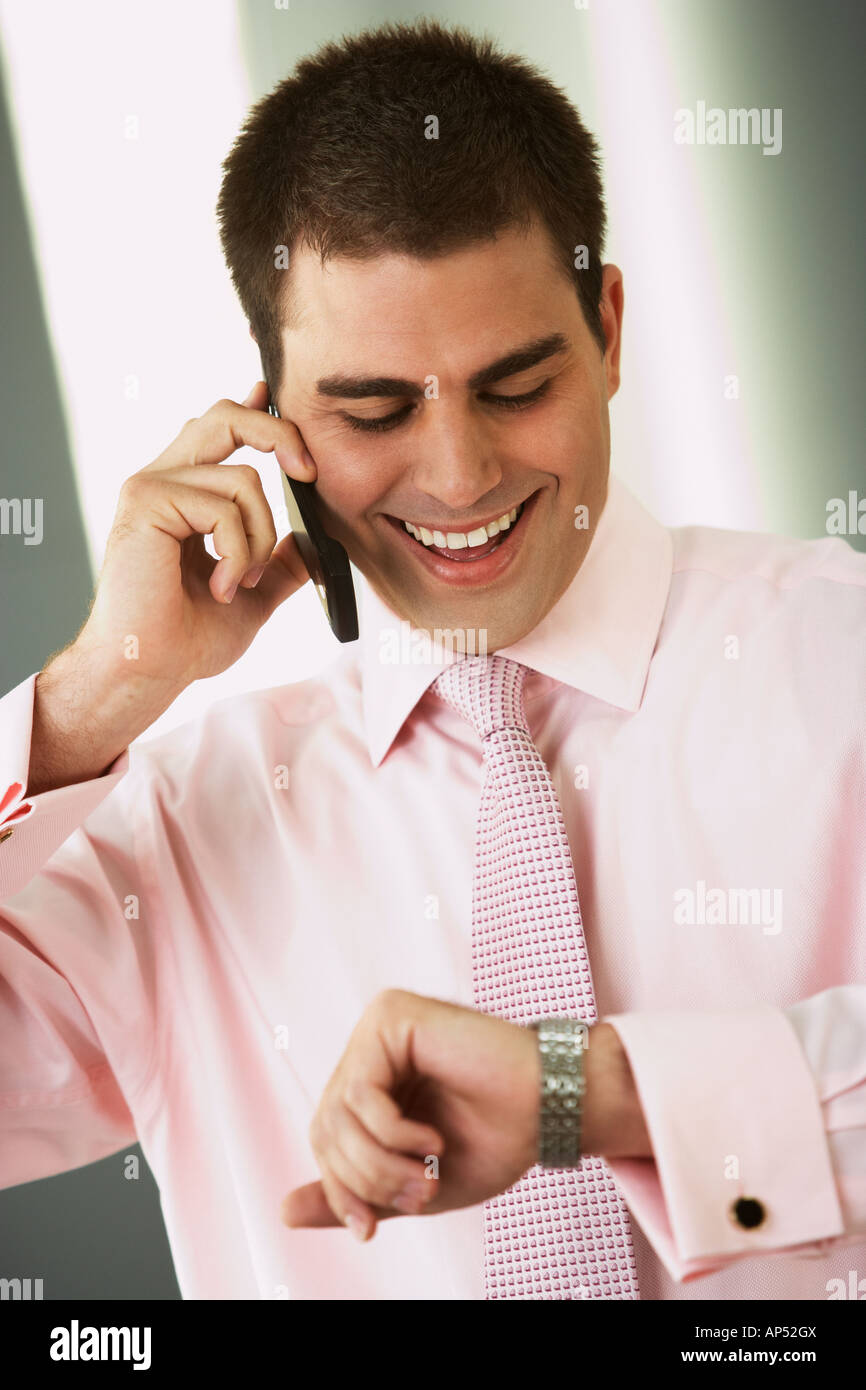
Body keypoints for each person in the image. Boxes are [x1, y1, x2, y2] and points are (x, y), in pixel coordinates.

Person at [1, 19, 864, 1302]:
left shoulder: (836, 655)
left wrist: (594, 1095)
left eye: (515, 385)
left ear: (609, 330)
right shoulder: (170, 832)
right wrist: (87, 698)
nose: (460, 476)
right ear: (272, 422)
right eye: (373, 410)